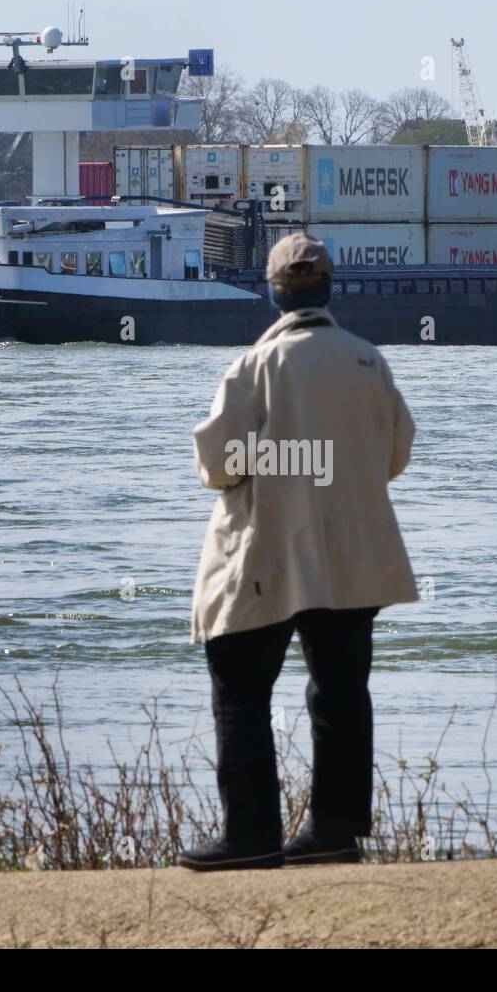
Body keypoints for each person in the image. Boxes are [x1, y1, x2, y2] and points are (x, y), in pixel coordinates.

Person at [178, 234, 418, 872]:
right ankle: (335, 831)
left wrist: (276, 462)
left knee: (239, 681)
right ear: (330, 287)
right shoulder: (368, 361)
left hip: (268, 550)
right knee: (340, 689)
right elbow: (394, 453)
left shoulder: (255, 368)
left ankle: (250, 837)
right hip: (353, 548)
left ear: (274, 291)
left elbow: (217, 466)